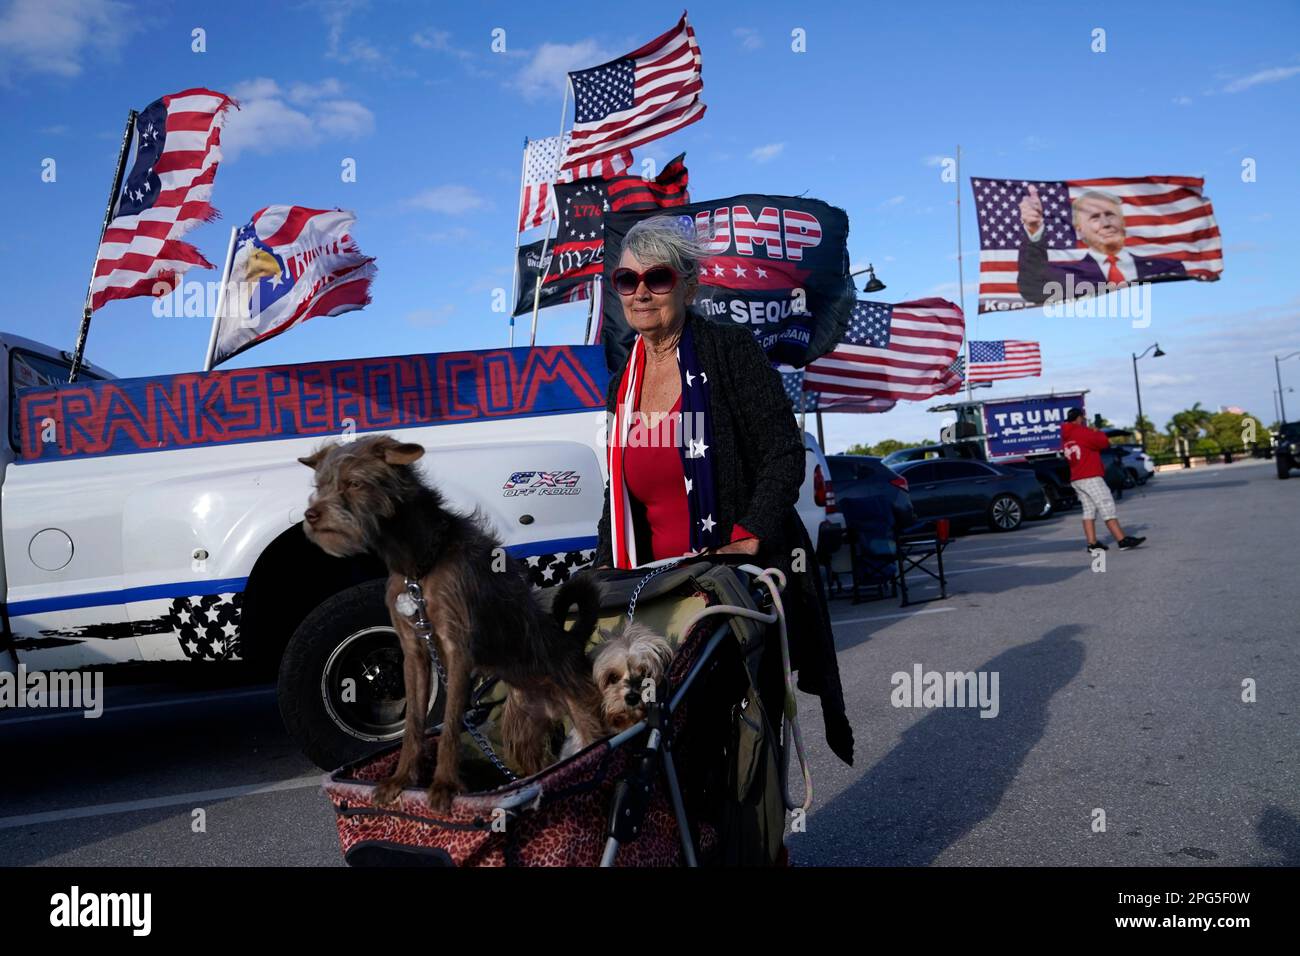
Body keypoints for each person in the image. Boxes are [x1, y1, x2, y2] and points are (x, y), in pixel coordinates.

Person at [592, 215, 853, 768]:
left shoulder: (730, 351)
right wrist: (599, 573)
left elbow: (784, 452)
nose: (640, 293)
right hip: (654, 586)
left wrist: (752, 532)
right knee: (646, 735)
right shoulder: (623, 382)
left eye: (657, 279)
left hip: (725, 580)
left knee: (724, 738)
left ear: (688, 284)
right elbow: (619, 493)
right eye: (626, 281)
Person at [1017, 186, 1186, 305]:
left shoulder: (1167, 266)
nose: (1105, 223)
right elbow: (1031, 288)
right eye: (1095, 218)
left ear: (1123, 222)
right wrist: (1034, 230)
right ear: (1080, 230)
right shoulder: (1066, 275)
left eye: (1110, 215)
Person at [1061, 407, 1145, 552]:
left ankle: (1092, 544)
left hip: (1077, 477)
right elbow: (1103, 443)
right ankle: (1122, 540)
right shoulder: (1082, 431)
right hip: (1090, 476)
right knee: (1106, 505)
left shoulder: (1066, 435)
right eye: (1083, 417)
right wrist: (1097, 431)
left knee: (1088, 510)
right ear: (1080, 418)